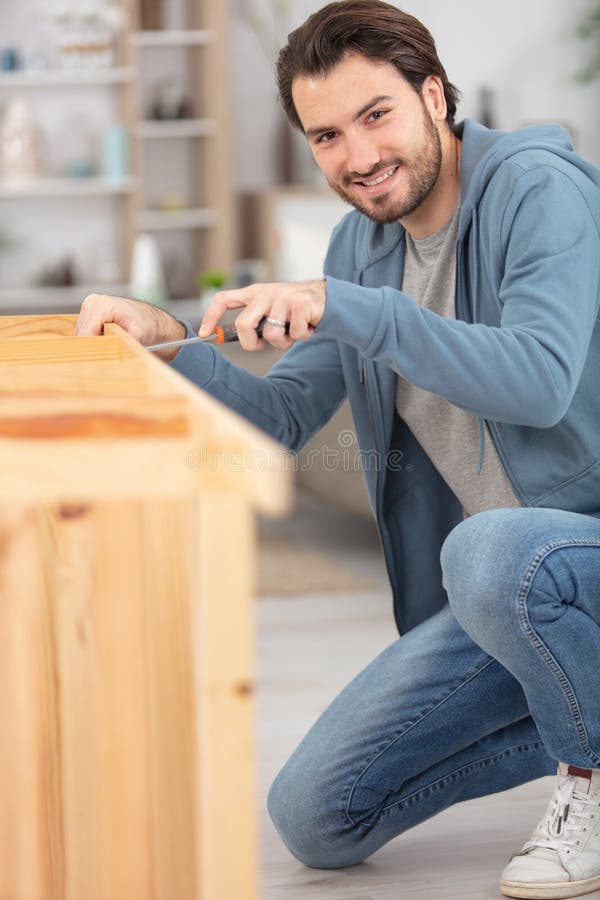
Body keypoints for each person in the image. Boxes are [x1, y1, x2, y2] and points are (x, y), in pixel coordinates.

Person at [75, 2, 600, 896]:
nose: (356, 158)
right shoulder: (360, 248)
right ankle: (574, 715)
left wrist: (352, 307)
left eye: (375, 116)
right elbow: (284, 416)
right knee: (318, 817)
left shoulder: (536, 189)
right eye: (326, 135)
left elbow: (541, 379)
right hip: (502, 598)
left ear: (433, 95)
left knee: (487, 548)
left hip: (561, 557)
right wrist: (168, 343)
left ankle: (585, 780)